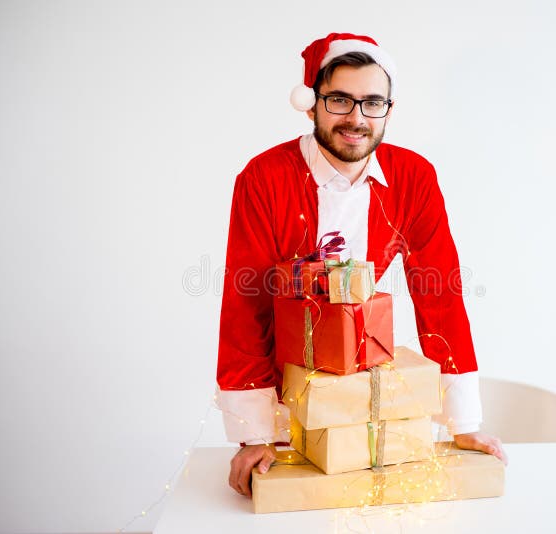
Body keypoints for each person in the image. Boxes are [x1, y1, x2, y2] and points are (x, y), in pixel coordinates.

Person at [216, 33, 507, 498]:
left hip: (365, 396)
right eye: (339, 100)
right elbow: (246, 301)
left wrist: (461, 422)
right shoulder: (264, 177)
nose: (356, 118)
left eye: (372, 102)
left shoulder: (414, 177)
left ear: (389, 110)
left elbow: (439, 293)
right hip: (284, 396)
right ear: (311, 105)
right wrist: (256, 433)